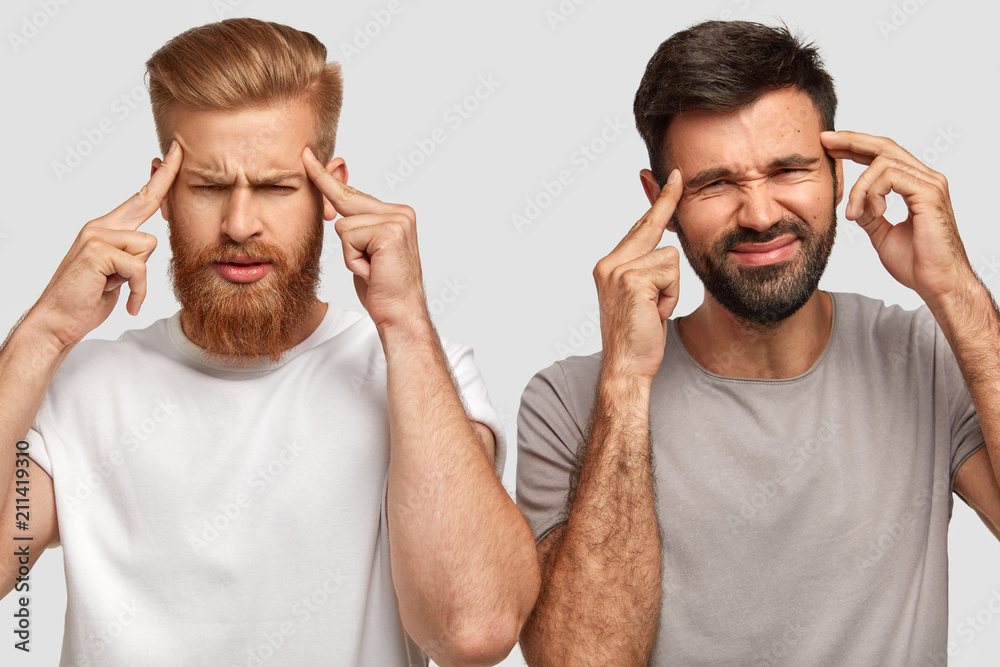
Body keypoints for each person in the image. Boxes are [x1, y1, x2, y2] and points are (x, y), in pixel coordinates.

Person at [0, 17, 538, 666]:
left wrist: (404, 322)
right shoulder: (82, 385)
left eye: (277, 187)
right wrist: (41, 334)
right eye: (209, 186)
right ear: (162, 193)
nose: (240, 224)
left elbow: (472, 630)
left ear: (328, 190)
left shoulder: (416, 367)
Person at [515, 19, 1000, 666]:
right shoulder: (569, 401)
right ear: (658, 200)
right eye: (717, 183)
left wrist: (957, 293)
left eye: (789, 169)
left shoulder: (927, 356)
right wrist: (626, 383)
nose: (761, 213)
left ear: (837, 174)